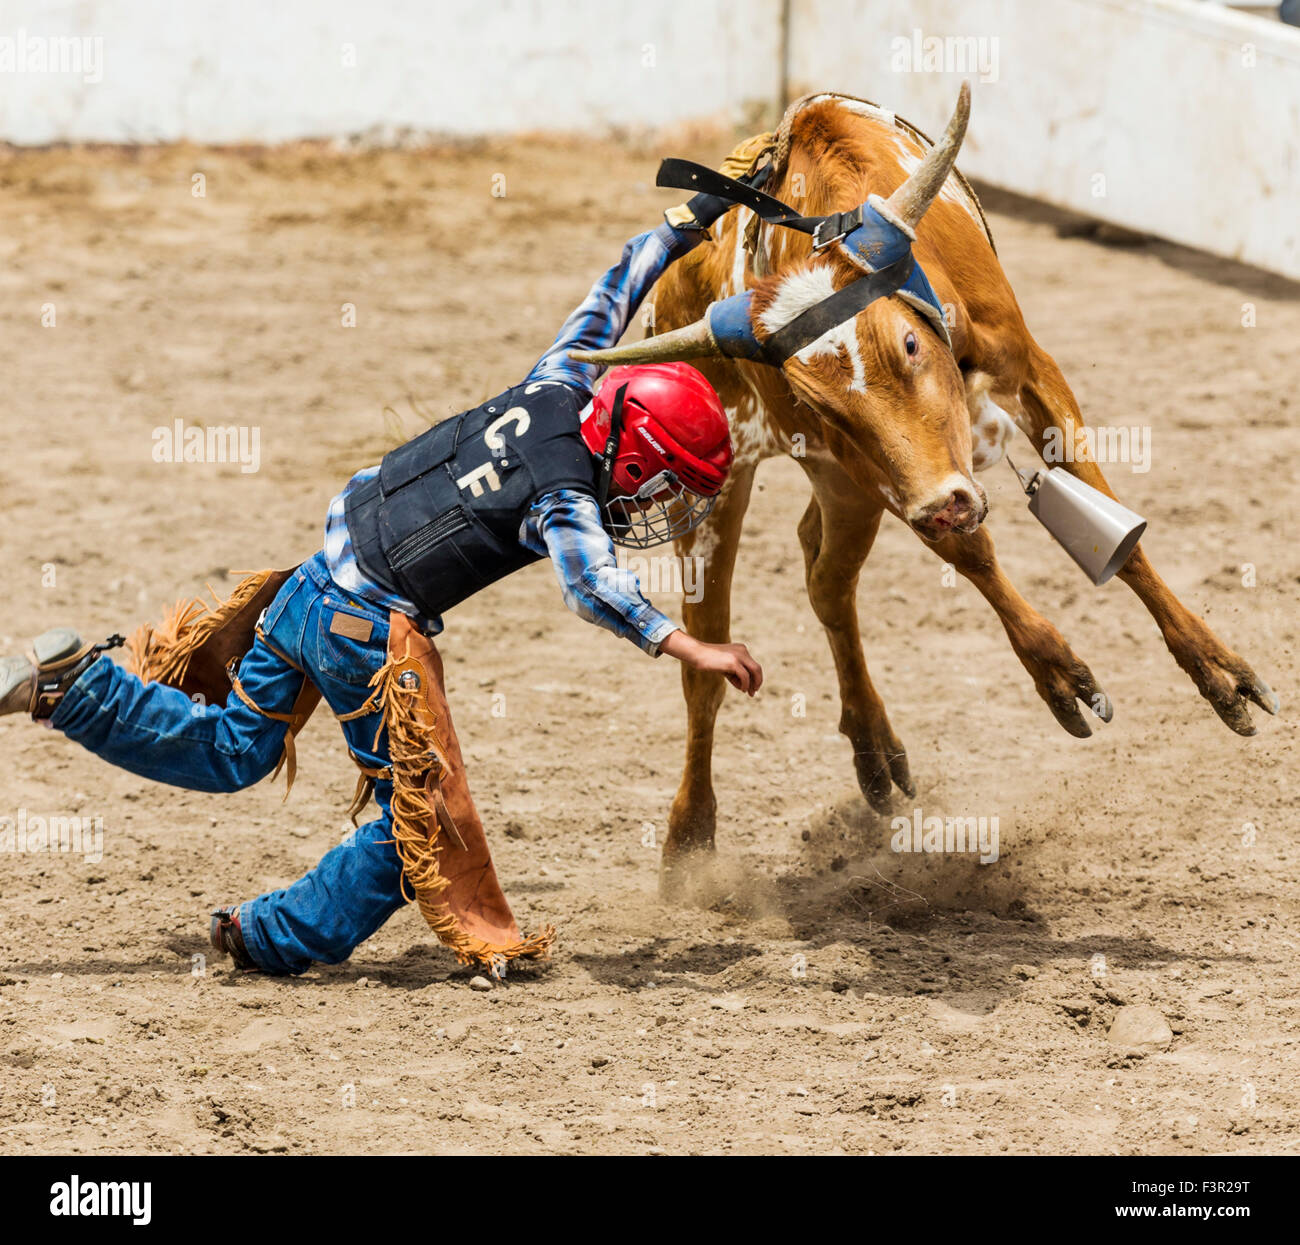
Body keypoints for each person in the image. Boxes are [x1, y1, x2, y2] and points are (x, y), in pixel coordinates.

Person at [0, 166, 765, 978]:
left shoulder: (566, 375)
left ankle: (69, 688)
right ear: (632, 452)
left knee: (235, 749)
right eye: (663, 483)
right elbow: (592, 586)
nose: (662, 503)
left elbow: (624, 270)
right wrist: (693, 646)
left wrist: (693, 217)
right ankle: (266, 936)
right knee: (418, 820)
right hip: (362, 633)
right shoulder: (565, 495)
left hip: (308, 583)